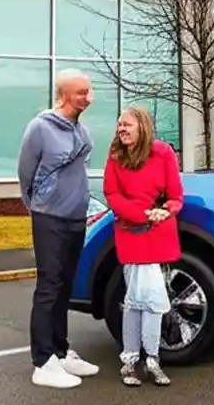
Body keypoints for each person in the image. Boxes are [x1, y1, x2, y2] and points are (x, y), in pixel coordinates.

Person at [17, 69, 101, 389]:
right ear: (64, 95)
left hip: (75, 216)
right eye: (81, 92)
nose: (88, 97)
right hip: (49, 217)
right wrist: (38, 204)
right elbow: (26, 172)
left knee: (64, 285)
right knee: (49, 285)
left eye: (89, 92)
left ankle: (60, 351)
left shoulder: (81, 130)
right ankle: (43, 361)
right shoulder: (40, 128)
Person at [102, 105, 184, 387]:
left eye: (127, 125)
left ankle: (146, 359)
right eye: (119, 125)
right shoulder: (115, 156)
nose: (121, 129)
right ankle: (135, 360)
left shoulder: (163, 153)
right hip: (131, 231)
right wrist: (139, 214)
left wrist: (166, 211)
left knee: (144, 300)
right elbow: (111, 192)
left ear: (143, 127)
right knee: (144, 299)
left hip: (158, 232)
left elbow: (175, 195)